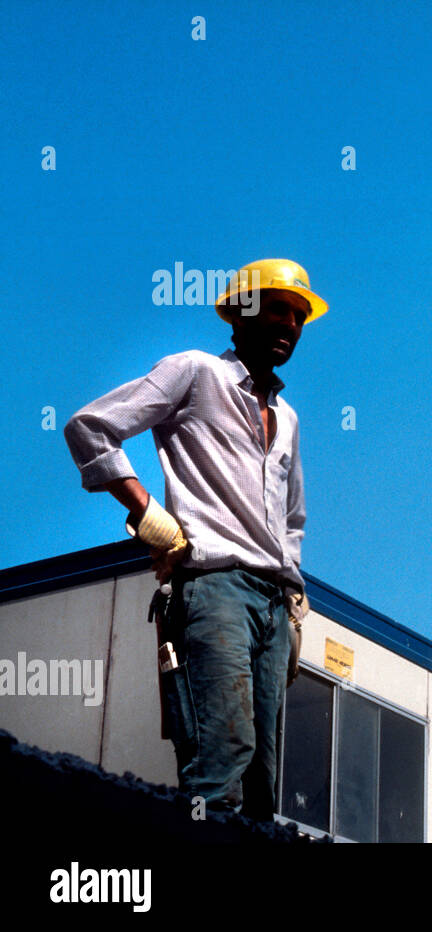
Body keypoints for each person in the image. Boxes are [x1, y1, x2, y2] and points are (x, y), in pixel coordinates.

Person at [63, 258, 327, 821]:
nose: (289, 325)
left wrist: (293, 596)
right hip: (214, 587)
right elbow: (90, 426)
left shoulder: (290, 418)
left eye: (299, 316)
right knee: (222, 757)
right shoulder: (195, 372)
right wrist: (148, 513)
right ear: (239, 314)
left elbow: (294, 518)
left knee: (263, 780)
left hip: (274, 604)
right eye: (277, 310)